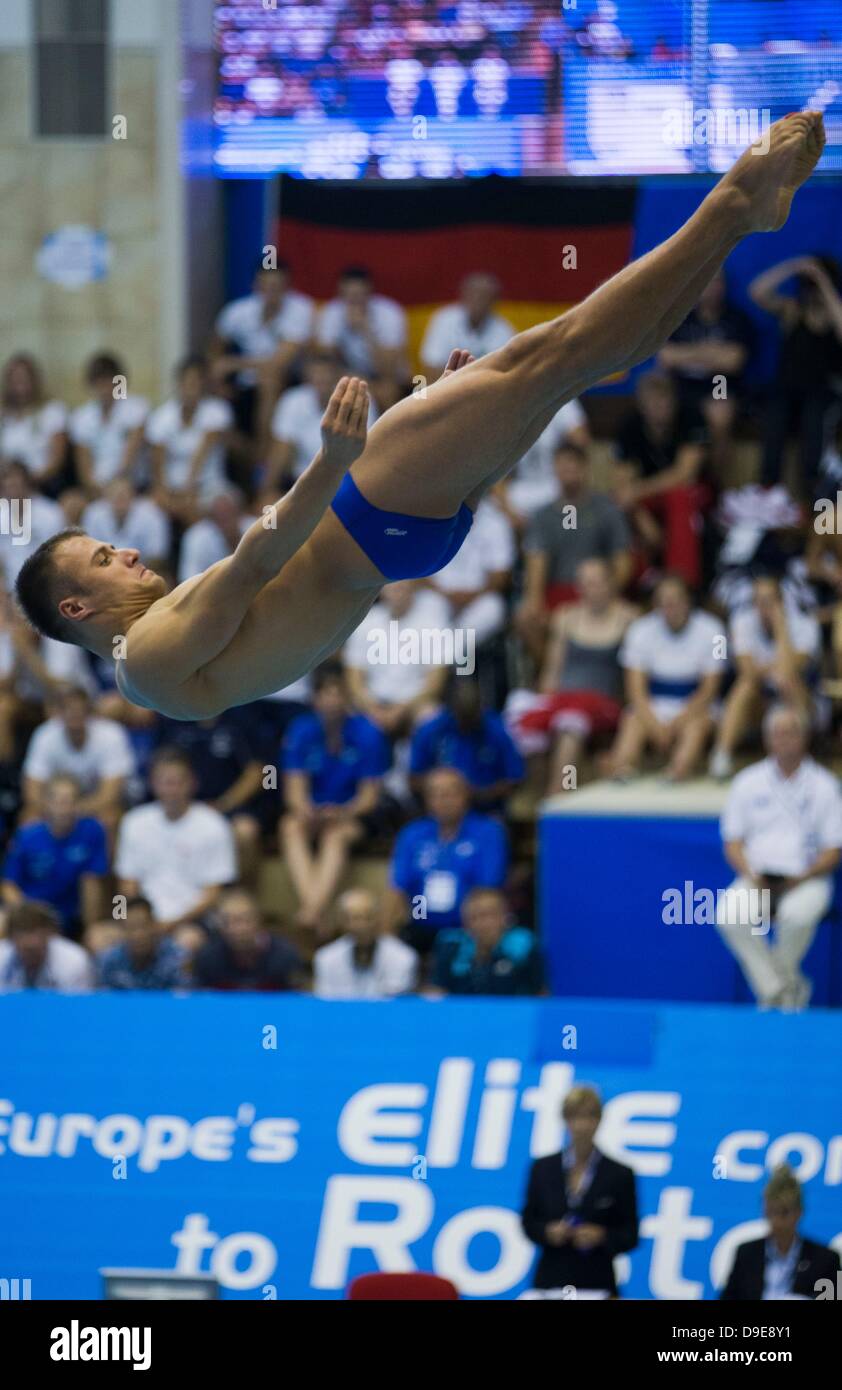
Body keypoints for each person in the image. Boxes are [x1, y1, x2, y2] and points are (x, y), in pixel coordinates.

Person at [14, 114, 827, 720]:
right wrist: (335, 458)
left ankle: (733, 228)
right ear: (76, 609)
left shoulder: (159, 664)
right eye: (100, 558)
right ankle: (728, 206)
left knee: (576, 367)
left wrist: (437, 430)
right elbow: (257, 560)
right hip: (363, 509)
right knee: (557, 357)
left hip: (401, 539)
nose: (122, 549)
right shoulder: (146, 660)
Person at [716, 704, 842, 1011]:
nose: (784, 740)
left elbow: (833, 851)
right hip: (757, 876)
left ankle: (774, 992)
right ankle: (779, 988)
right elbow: (732, 841)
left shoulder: (825, 786)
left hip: (806, 878)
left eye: (791, 732)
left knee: (796, 916)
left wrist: (802, 877)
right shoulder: (747, 781)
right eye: (777, 733)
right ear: (767, 739)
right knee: (728, 915)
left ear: (805, 736)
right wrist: (751, 872)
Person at [506, 557, 638, 794]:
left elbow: (635, 671)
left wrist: (628, 702)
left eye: (597, 582)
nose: (592, 589)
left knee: (570, 721)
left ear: (611, 583)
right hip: (565, 696)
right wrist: (546, 699)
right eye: (585, 583)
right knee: (519, 710)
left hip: (603, 702)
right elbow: (552, 669)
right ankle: (532, 792)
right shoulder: (565, 616)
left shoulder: (629, 618)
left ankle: (559, 791)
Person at [280, 663, 389, 932]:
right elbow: (294, 789)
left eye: (338, 693)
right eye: (325, 694)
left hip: (356, 815)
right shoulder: (300, 730)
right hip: (316, 812)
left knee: (335, 835)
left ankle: (310, 913)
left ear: (348, 698)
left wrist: (341, 813)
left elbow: (369, 797)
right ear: (314, 698)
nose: (332, 700)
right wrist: (308, 811)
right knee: (290, 826)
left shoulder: (367, 733)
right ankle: (316, 913)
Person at [517, 443, 632, 667]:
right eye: (562, 465)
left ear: (584, 467)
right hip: (558, 591)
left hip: (598, 589)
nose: (567, 470)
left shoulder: (606, 509)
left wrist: (608, 593)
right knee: (526, 618)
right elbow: (536, 563)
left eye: (573, 464)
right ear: (554, 470)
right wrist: (535, 601)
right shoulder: (542, 516)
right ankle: (550, 676)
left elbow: (622, 561)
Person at [520, 1084, 638, 1295]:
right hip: (550, 1281)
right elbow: (528, 1221)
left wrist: (601, 1235)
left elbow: (630, 1234)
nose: (582, 1125)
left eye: (589, 1117)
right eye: (575, 1117)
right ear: (565, 1120)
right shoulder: (543, 1168)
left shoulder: (619, 1173)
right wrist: (548, 1231)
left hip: (596, 1281)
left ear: (599, 1120)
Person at [604, 575, 723, 781]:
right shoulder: (638, 630)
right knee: (633, 720)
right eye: (663, 601)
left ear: (688, 600)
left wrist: (676, 723)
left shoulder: (715, 631)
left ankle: (679, 769)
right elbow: (635, 691)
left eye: (675, 600)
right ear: (655, 604)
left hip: (695, 705)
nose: (670, 607)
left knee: (696, 726)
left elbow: (710, 689)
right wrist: (656, 726)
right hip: (654, 703)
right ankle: (622, 767)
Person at [114, 746, 238, 939]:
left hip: (194, 920)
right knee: (100, 939)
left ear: (193, 783)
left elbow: (213, 893)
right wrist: (130, 919)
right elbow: (127, 884)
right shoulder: (134, 822)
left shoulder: (214, 824)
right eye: (165, 782)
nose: (171, 789)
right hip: (143, 919)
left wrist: (172, 924)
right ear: (153, 784)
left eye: (178, 782)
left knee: (187, 941)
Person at [709, 575, 820, 781]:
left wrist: (780, 627)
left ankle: (802, 759)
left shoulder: (806, 624)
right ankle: (722, 755)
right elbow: (747, 671)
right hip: (759, 702)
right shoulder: (741, 621)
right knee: (745, 686)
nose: (763, 606)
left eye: (769, 600)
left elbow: (790, 671)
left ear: (781, 602)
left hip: (799, 702)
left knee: (789, 682)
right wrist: (774, 668)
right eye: (758, 601)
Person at [384, 767, 509, 948]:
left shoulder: (487, 832)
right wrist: (385, 939)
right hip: (421, 921)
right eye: (436, 795)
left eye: (450, 794)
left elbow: (487, 888)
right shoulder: (413, 834)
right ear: (426, 800)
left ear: (466, 795)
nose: (443, 801)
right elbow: (397, 887)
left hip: (465, 928)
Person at [750, 255, 842, 490]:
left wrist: (822, 281)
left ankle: (813, 487)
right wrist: (793, 267)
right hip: (786, 389)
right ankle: (768, 487)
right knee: (775, 418)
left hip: (820, 392)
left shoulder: (833, 317)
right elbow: (757, 291)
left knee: (815, 421)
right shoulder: (792, 310)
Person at [613, 370, 709, 589]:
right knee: (618, 505)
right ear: (641, 404)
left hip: (693, 493)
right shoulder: (630, 426)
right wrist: (639, 514)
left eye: (664, 400)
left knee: (680, 496)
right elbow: (623, 484)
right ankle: (637, 583)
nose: (659, 407)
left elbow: (685, 475)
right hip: (649, 497)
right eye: (652, 401)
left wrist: (637, 493)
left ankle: (681, 582)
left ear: (674, 400)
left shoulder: (691, 417)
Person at [210, 260, 315, 445]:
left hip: (288, 379)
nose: (270, 292)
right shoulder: (237, 311)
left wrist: (233, 363)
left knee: (269, 379)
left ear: (287, 287)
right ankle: (244, 457)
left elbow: (278, 363)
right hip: (243, 380)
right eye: (265, 286)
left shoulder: (300, 309)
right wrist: (219, 381)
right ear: (255, 286)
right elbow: (214, 352)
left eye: (276, 287)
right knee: (208, 383)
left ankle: (264, 457)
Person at [2, 774, 107, 937]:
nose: (63, 808)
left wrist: (92, 927)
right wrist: (29, 913)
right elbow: (8, 885)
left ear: (79, 804)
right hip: (30, 914)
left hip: (69, 917)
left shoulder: (92, 831)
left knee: (99, 934)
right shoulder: (27, 835)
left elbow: (94, 881)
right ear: (46, 804)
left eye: (70, 801)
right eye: (57, 801)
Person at [21, 684, 135, 833]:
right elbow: (32, 793)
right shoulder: (45, 735)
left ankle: (106, 857)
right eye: (68, 710)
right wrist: (58, 809)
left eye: (79, 710)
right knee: (29, 818)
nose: (74, 714)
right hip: (57, 804)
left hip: (95, 804)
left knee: (109, 818)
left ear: (89, 711)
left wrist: (70, 809)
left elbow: (110, 795)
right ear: (58, 712)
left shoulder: (111, 734)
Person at [343, 579, 451, 737]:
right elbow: (354, 677)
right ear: (381, 589)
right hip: (373, 703)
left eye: (403, 584)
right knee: (348, 716)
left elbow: (435, 682)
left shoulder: (432, 624)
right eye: (393, 584)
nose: (398, 589)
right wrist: (373, 709)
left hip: (414, 704)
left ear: (413, 586)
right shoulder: (367, 620)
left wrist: (402, 710)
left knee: (431, 718)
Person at [720, 1165, 841, 1300]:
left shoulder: (826, 1260)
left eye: (784, 1213)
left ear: (799, 1212)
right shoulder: (747, 1254)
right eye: (771, 1212)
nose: (777, 1221)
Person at [409, 676, 524, 810]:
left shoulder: (497, 730)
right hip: (438, 811)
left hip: (486, 809)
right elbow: (413, 779)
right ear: (450, 710)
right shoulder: (430, 730)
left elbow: (515, 779)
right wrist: (446, 789)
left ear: (481, 708)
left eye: (471, 717)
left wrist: (478, 793)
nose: (467, 724)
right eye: (462, 718)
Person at [145, 355, 234, 525]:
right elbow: (157, 462)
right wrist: (163, 492)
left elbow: (202, 453)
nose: (190, 388)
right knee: (148, 510)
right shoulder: (162, 416)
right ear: (178, 384)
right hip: (171, 491)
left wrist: (188, 490)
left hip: (209, 487)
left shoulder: (217, 410)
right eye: (186, 383)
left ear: (203, 385)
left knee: (202, 509)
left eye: (195, 382)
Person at [315, 266, 407, 410]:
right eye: (349, 295)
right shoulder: (332, 312)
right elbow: (324, 362)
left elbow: (388, 369)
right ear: (341, 293)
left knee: (387, 392)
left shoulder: (390, 313)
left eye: (359, 295)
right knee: (324, 384)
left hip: (383, 378)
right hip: (345, 374)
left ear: (369, 293)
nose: (354, 301)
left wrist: (366, 331)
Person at [431, 887, 544, 996]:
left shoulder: (523, 946)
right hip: (462, 1014)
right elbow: (436, 993)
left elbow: (540, 994)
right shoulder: (452, 946)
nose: (481, 924)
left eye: (488, 915)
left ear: (505, 917)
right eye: (474, 917)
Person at [313, 887, 419, 999]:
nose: (360, 925)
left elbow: (398, 1006)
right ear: (342, 921)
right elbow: (325, 1006)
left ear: (378, 918)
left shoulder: (403, 957)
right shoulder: (326, 959)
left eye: (367, 917)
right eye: (353, 918)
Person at [193, 886, 305, 991]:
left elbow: (295, 1000)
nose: (235, 929)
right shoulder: (208, 957)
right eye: (226, 921)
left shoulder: (285, 956)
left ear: (258, 920)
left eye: (242, 920)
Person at [70, 352, 149, 495]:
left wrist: (115, 488)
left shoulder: (137, 409)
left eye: (108, 381)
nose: (104, 387)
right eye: (99, 382)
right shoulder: (81, 417)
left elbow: (128, 462)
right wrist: (96, 489)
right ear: (91, 384)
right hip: (96, 488)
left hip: (130, 486)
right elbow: (84, 469)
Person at [420, 273, 514, 378]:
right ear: (463, 295)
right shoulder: (444, 319)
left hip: (483, 389)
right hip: (444, 386)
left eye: (483, 296)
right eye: (473, 294)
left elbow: (503, 374)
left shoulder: (504, 329)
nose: (477, 300)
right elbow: (431, 366)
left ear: (495, 301)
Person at [0, 353, 68, 492]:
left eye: (24, 377)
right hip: (6, 484)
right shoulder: (3, 416)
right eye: (15, 378)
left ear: (34, 380)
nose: (20, 382)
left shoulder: (53, 411)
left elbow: (57, 460)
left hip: (44, 484)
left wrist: (28, 481)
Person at [0, 900, 94, 992]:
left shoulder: (74, 960)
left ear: (50, 933)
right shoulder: (2, 955)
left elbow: (78, 1004)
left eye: (35, 932)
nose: (29, 942)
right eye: (22, 932)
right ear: (10, 936)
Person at [82, 477, 170, 576]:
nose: (119, 499)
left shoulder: (153, 514)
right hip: (103, 575)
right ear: (106, 497)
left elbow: (156, 556)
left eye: (123, 495)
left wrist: (133, 573)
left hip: (141, 573)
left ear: (133, 495)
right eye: (115, 495)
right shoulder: (93, 513)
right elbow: (89, 554)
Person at [97, 895, 188, 990]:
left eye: (144, 926)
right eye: (131, 927)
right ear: (122, 930)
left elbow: (183, 999)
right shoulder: (110, 961)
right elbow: (105, 1001)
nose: (138, 935)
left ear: (155, 925)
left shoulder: (177, 958)